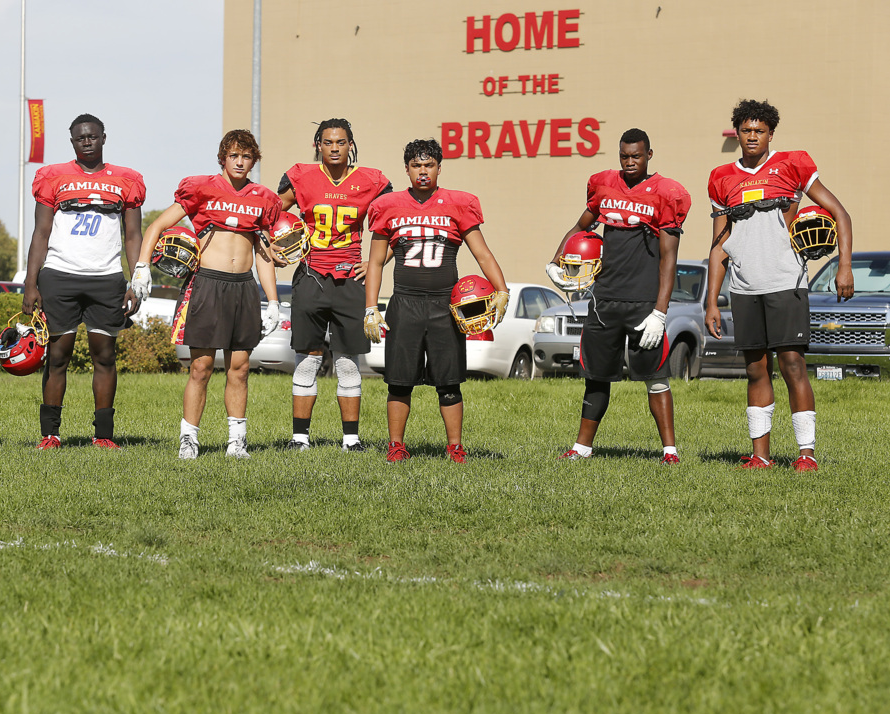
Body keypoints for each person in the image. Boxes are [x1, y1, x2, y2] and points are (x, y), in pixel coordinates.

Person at [706, 99, 853, 471]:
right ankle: (760, 455)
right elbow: (719, 245)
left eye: (759, 130)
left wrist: (844, 267)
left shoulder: (793, 164)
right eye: (745, 130)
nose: (752, 136)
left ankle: (806, 454)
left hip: (786, 281)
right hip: (743, 286)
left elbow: (841, 213)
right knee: (755, 369)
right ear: (736, 132)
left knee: (792, 365)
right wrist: (711, 301)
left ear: (771, 134)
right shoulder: (721, 177)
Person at [131, 129, 282, 460]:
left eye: (246, 156)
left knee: (239, 368)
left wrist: (272, 300)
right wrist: (142, 266)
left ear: (254, 160)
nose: (240, 162)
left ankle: (237, 441)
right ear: (223, 158)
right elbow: (157, 226)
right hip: (207, 283)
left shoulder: (264, 198)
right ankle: (189, 438)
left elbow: (264, 253)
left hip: (243, 286)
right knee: (200, 367)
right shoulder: (201, 188)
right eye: (234, 156)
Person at [545, 128, 691, 464]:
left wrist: (660, 311)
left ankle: (669, 450)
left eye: (636, 156)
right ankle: (582, 447)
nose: (629, 162)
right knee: (596, 375)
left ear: (649, 155)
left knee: (655, 376)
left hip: (643, 299)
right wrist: (555, 261)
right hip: (604, 298)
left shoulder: (666, 193)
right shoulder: (604, 183)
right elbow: (581, 226)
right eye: (624, 155)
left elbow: (670, 258)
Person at [363, 138, 509, 463]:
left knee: (449, 381)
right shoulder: (388, 204)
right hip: (405, 303)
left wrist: (502, 289)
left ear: (439, 168)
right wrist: (370, 307)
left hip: (446, 305)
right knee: (399, 382)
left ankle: (454, 446)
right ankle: (396, 445)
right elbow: (374, 262)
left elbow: (482, 253)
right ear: (407, 169)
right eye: (417, 165)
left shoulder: (459, 203)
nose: (423, 171)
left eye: (429, 165)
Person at [22, 114, 145, 450]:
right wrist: (30, 284)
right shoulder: (53, 177)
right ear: (72, 141)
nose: (87, 142)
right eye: (80, 138)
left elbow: (132, 235)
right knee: (57, 354)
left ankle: (103, 435)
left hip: (106, 277)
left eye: (92, 136)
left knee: (104, 355)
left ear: (103, 137)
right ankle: (50, 434)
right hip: (60, 274)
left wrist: (137, 278)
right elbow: (41, 233)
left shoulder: (126, 180)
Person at [274, 118, 392, 452]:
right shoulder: (301, 176)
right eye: (328, 142)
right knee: (308, 357)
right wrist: (272, 245)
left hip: (350, 280)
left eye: (341, 142)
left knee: (347, 360)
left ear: (350, 145)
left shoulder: (372, 180)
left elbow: (396, 220)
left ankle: (351, 440)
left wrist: (376, 261)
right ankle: (300, 438)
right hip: (311, 274)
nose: (335, 148)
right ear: (318, 145)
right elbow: (269, 213)